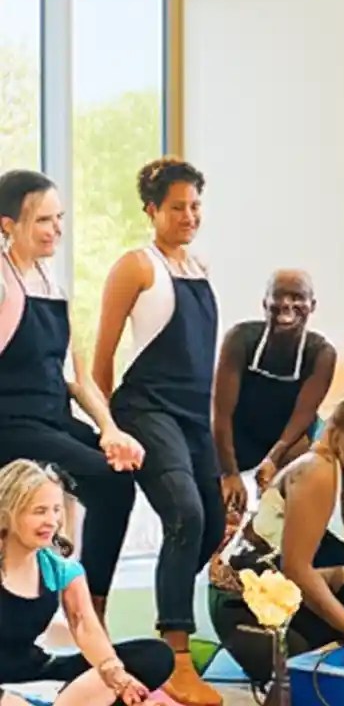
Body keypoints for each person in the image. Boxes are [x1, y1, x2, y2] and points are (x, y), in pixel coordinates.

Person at [93, 157, 223, 706]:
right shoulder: (136, 266)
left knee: (211, 524)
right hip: (145, 410)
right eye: (177, 207)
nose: (188, 216)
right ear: (151, 209)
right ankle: (175, 659)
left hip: (192, 416)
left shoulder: (200, 268)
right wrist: (106, 427)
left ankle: (163, 618)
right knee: (184, 513)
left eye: (195, 206)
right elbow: (101, 362)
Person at [0, 170, 144, 625]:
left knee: (119, 479)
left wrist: (111, 430)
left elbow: (80, 378)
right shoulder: (4, 286)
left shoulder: (54, 284)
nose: (56, 228)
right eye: (43, 219)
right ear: (8, 225)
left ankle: (90, 607)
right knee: (105, 480)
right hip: (13, 424)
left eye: (59, 217)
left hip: (54, 419)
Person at [210, 386, 344, 693]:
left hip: (306, 593)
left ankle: (340, 643)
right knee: (307, 672)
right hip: (250, 600)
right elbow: (296, 568)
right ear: (339, 438)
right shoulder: (317, 471)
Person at [0, 459, 173, 706]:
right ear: (8, 512)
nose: (52, 521)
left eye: (56, 509)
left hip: (34, 672)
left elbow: (84, 624)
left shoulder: (60, 568)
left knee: (155, 656)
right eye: (39, 511)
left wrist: (118, 677)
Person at [212, 269, 336, 509]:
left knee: (305, 468)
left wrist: (273, 459)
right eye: (278, 296)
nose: (287, 304)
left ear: (312, 305)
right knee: (222, 506)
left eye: (297, 297)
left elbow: (304, 415)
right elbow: (221, 414)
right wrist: (229, 474)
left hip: (289, 440)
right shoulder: (240, 339)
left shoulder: (321, 353)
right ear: (265, 303)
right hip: (239, 434)